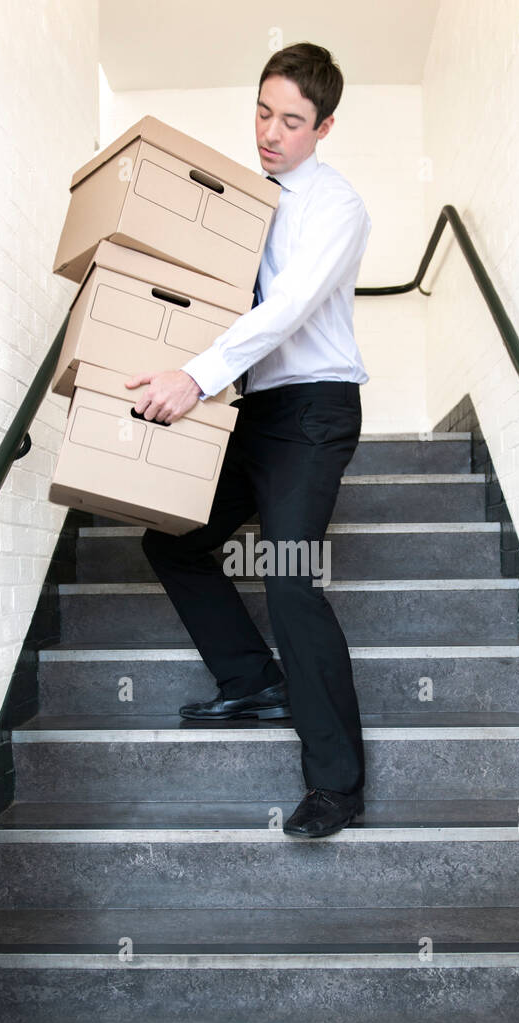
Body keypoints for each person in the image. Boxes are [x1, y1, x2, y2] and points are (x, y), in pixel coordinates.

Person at [124, 42, 371, 839]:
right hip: (255, 411)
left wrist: (192, 379)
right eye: (262, 113)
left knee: (291, 578)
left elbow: (286, 307)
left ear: (324, 126)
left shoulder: (336, 207)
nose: (270, 133)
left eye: (292, 122)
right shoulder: (241, 201)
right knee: (175, 542)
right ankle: (252, 678)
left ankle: (337, 787)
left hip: (314, 413)